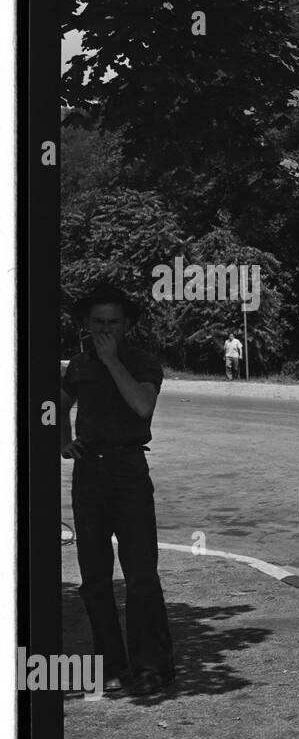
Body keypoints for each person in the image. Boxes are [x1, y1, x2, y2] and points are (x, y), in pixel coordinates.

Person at [60, 282, 175, 695]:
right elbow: (57, 404)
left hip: (129, 470)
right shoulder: (78, 364)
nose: (105, 330)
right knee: (93, 576)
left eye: (113, 323)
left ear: (126, 325)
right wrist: (62, 440)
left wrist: (111, 362)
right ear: (86, 325)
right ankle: (110, 664)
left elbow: (143, 408)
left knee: (141, 573)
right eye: (97, 323)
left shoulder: (142, 363)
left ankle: (150, 667)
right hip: (89, 473)